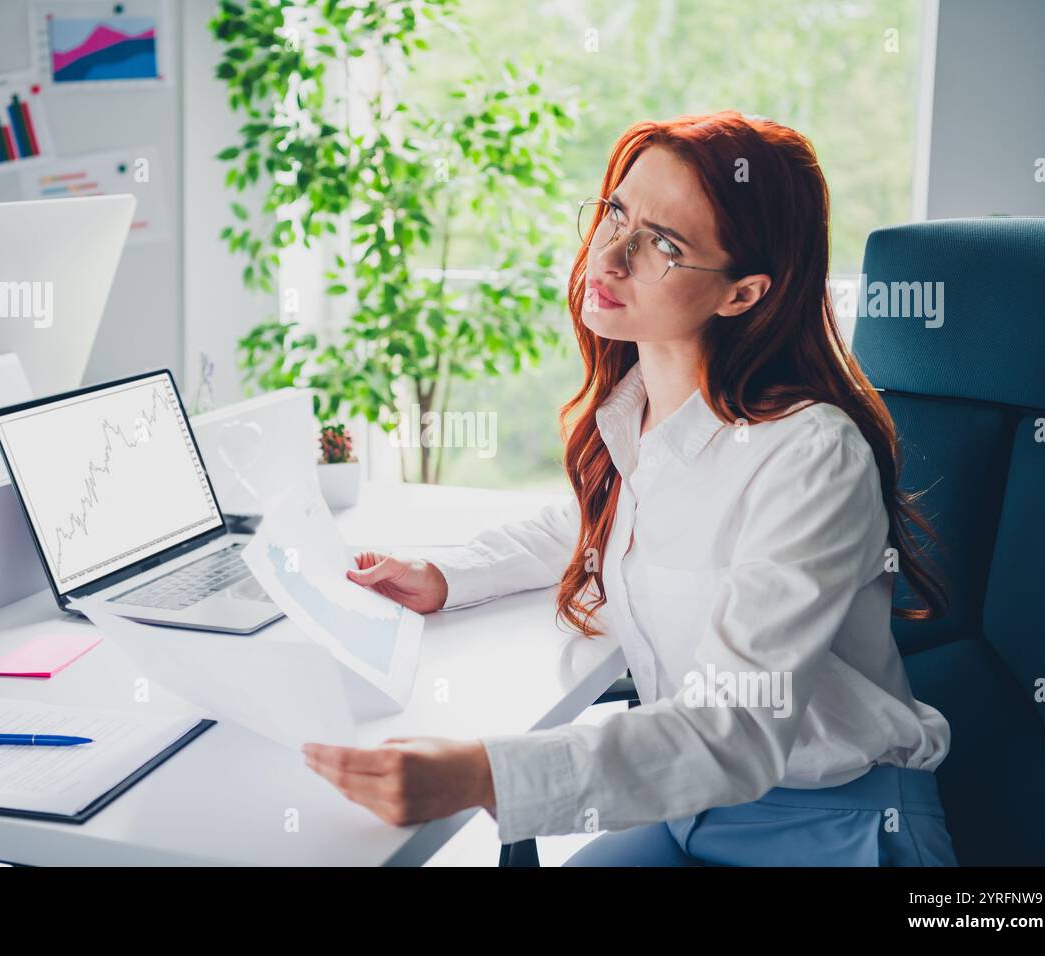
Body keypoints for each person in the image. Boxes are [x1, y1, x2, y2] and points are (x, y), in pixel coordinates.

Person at [301, 110, 958, 866]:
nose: (608, 257)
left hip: (833, 827)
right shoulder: (643, 410)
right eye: (617, 211)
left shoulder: (811, 456)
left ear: (742, 295)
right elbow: (594, 524)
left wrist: (486, 773)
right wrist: (447, 575)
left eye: (662, 245)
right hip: (690, 807)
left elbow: (737, 728)